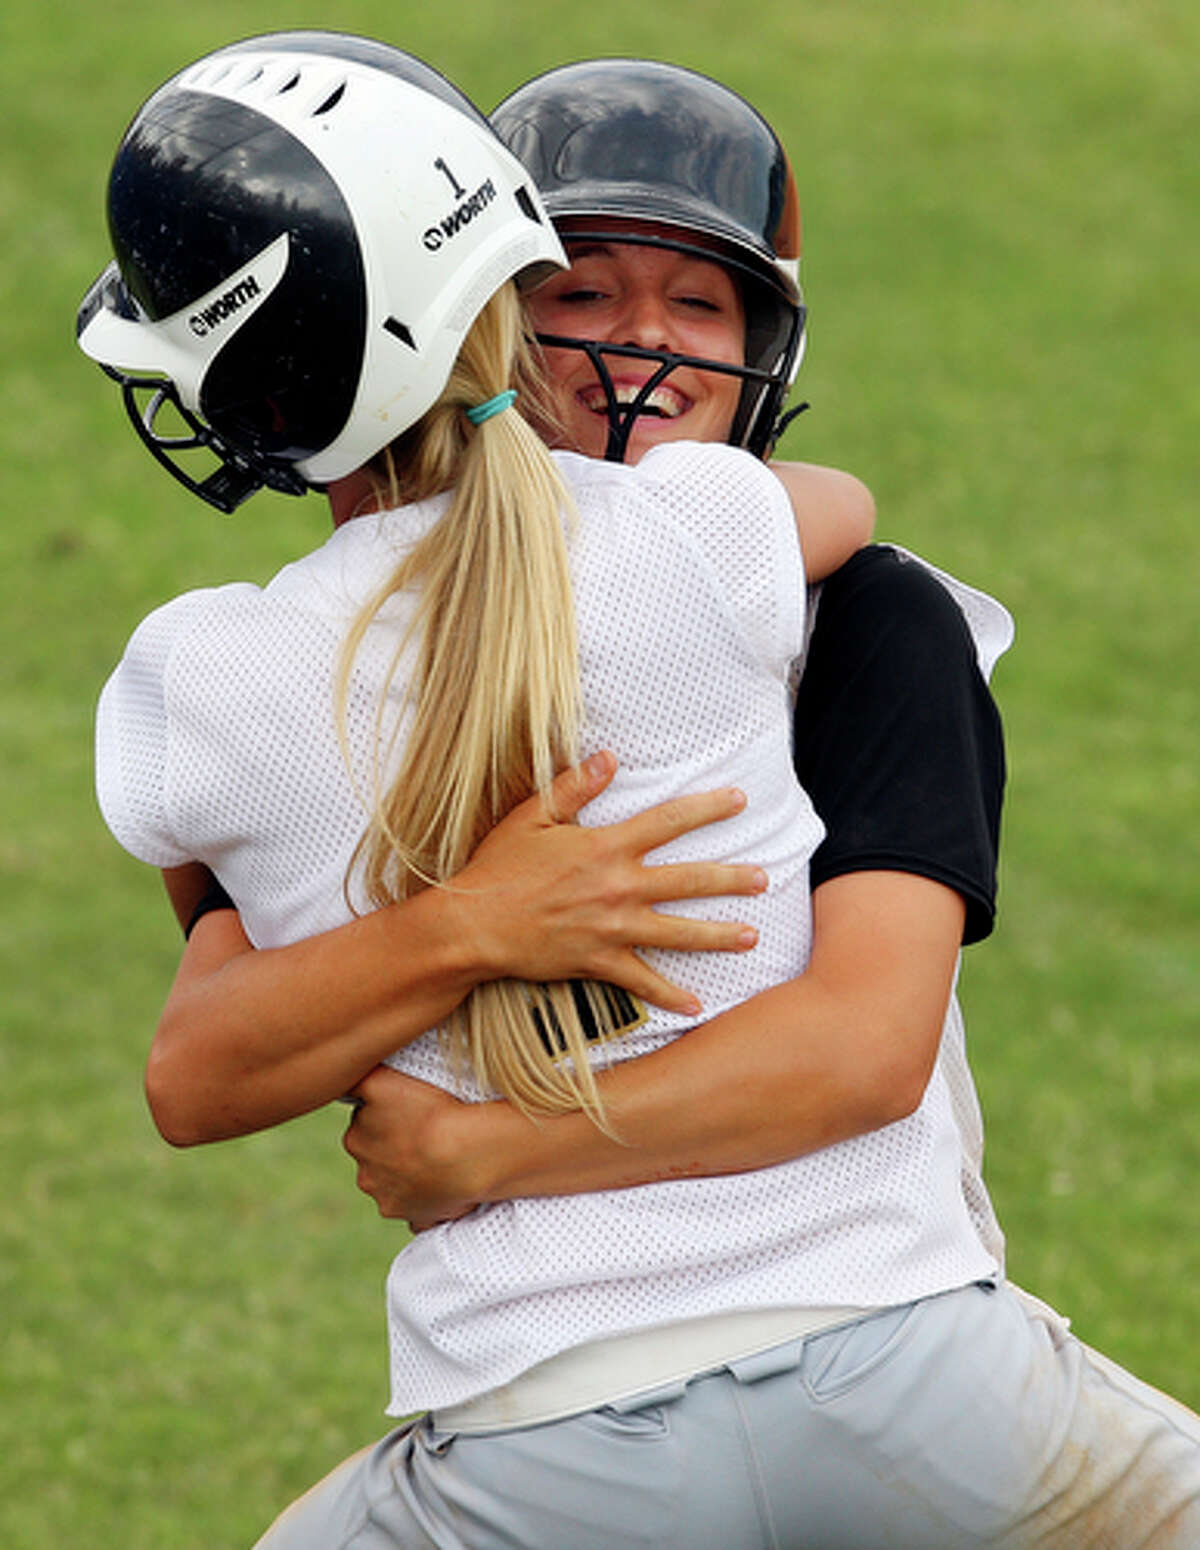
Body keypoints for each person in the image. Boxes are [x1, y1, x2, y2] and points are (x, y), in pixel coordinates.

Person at [88, 45, 1200, 1550]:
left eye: (700, 304)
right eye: (582, 299)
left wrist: (492, 1144)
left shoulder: (212, 676)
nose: (642, 350)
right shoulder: (714, 542)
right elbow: (203, 1055)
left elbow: (860, 1048)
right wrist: (472, 922)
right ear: (497, 308)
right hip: (910, 1364)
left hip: (538, 1419)